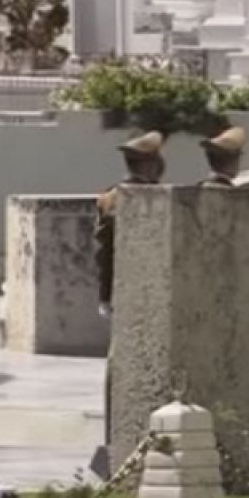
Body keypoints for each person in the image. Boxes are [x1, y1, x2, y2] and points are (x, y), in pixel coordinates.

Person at [90, 130, 165, 477]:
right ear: (151, 164)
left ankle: (114, 434)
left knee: (118, 366)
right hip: (155, 295)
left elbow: (102, 254)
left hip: (123, 295)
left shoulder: (109, 198)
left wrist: (105, 296)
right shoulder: (156, 198)